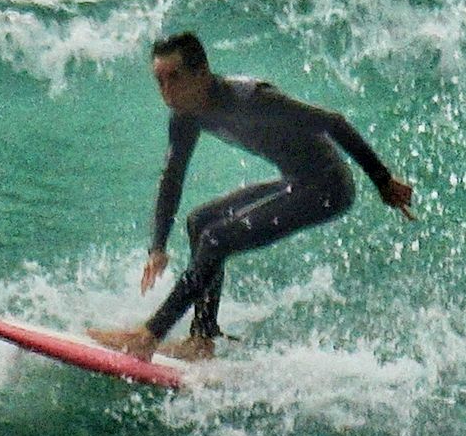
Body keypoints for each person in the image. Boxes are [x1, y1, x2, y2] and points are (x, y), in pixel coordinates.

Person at [89, 31, 415, 361]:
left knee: (216, 239)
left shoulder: (253, 99)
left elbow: (333, 122)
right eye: (159, 81)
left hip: (328, 188)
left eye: (175, 78)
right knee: (199, 221)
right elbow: (172, 178)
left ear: (201, 73)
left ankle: (149, 336)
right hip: (296, 182)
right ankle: (201, 340)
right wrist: (158, 246)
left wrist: (383, 181)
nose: (167, 91)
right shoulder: (186, 117)